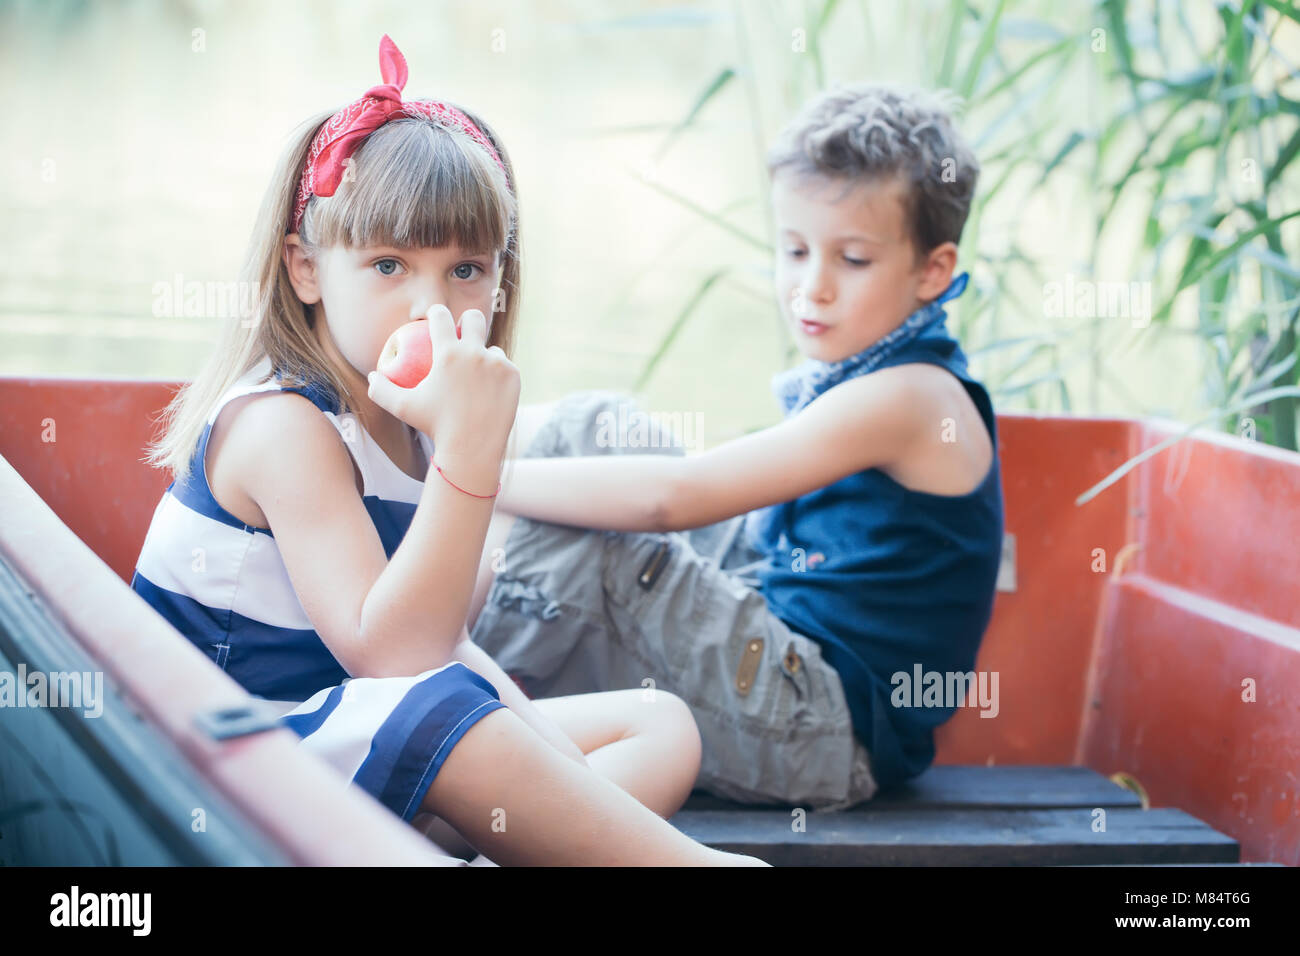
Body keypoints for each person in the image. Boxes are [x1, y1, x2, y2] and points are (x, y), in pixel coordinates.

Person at [130, 34, 766, 867]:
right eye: (388, 264)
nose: (429, 305)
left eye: (465, 270)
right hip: (223, 764)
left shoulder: (416, 427)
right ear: (307, 269)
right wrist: (471, 456)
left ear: (500, 280)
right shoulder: (285, 427)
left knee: (659, 725)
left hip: (350, 740)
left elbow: (448, 648)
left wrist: (546, 771)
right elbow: (397, 656)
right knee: (449, 711)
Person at [468, 83, 1006, 811]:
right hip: (779, 634)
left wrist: (471, 479)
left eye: (852, 260)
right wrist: (459, 448)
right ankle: (428, 457)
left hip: (816, 728)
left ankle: (455, 718)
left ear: (931, 272)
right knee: (595, 425)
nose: (810, 288)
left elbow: (674, 501)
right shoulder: (877, 367)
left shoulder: (910, 398)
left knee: (609, 540)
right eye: (794, 250)